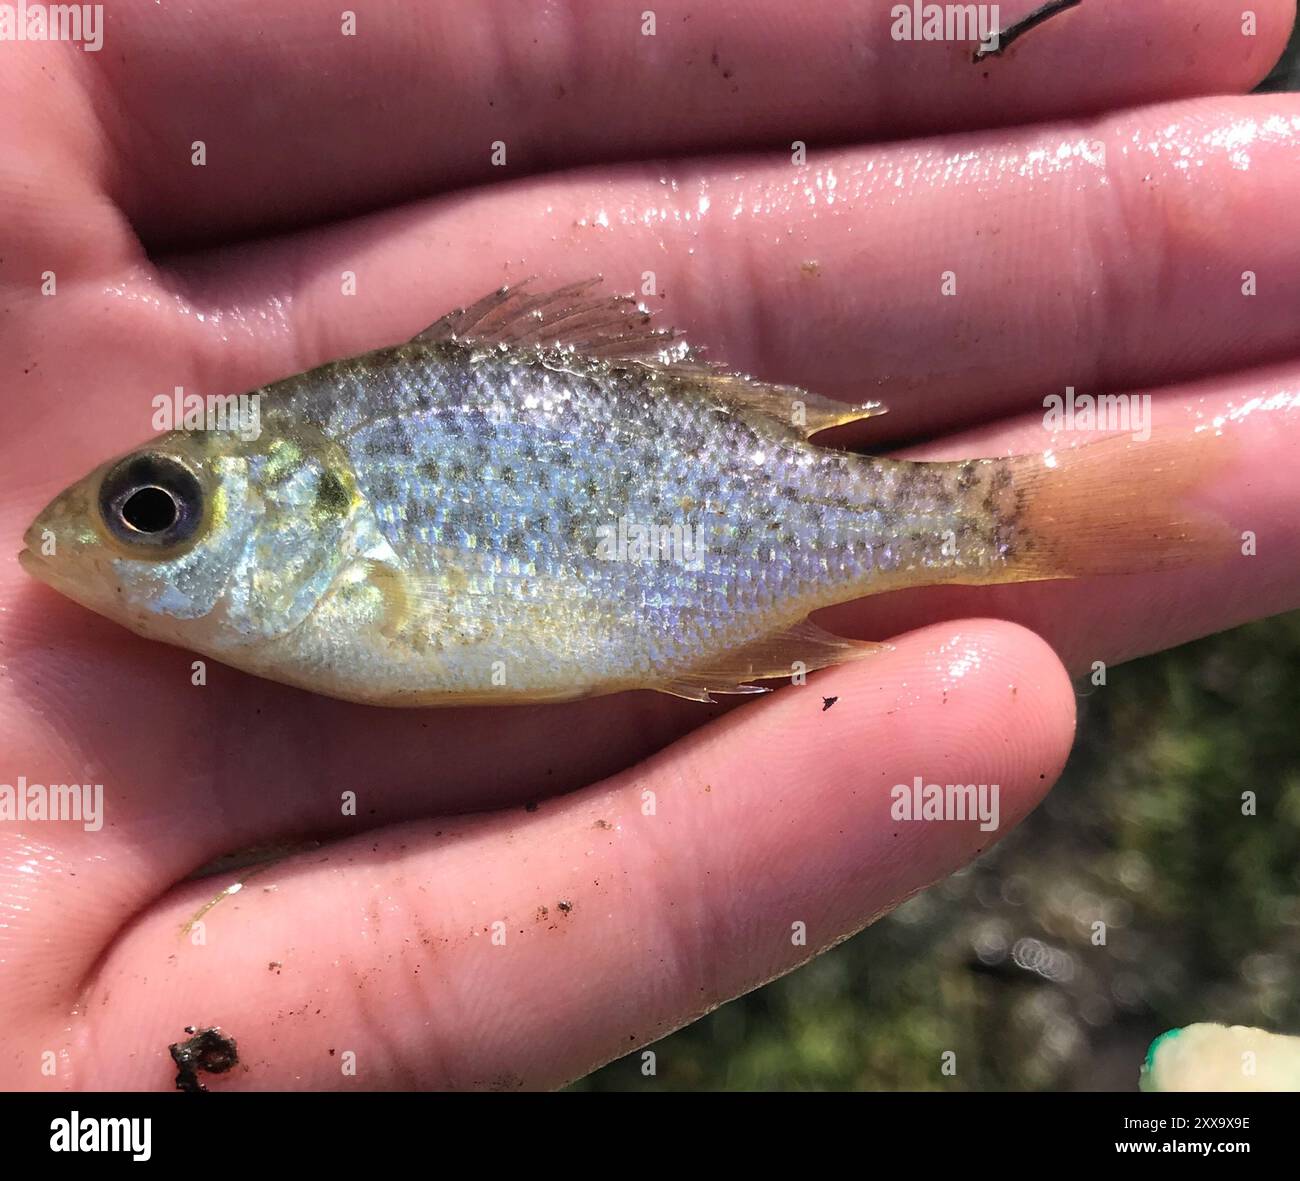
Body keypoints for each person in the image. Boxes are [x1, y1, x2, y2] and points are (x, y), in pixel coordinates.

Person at [1, 0, 1297, 1090]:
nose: (96, 544)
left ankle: (1035, 517)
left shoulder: (325, 548)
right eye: (151, 511)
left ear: (309, 503)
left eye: (156, 514)